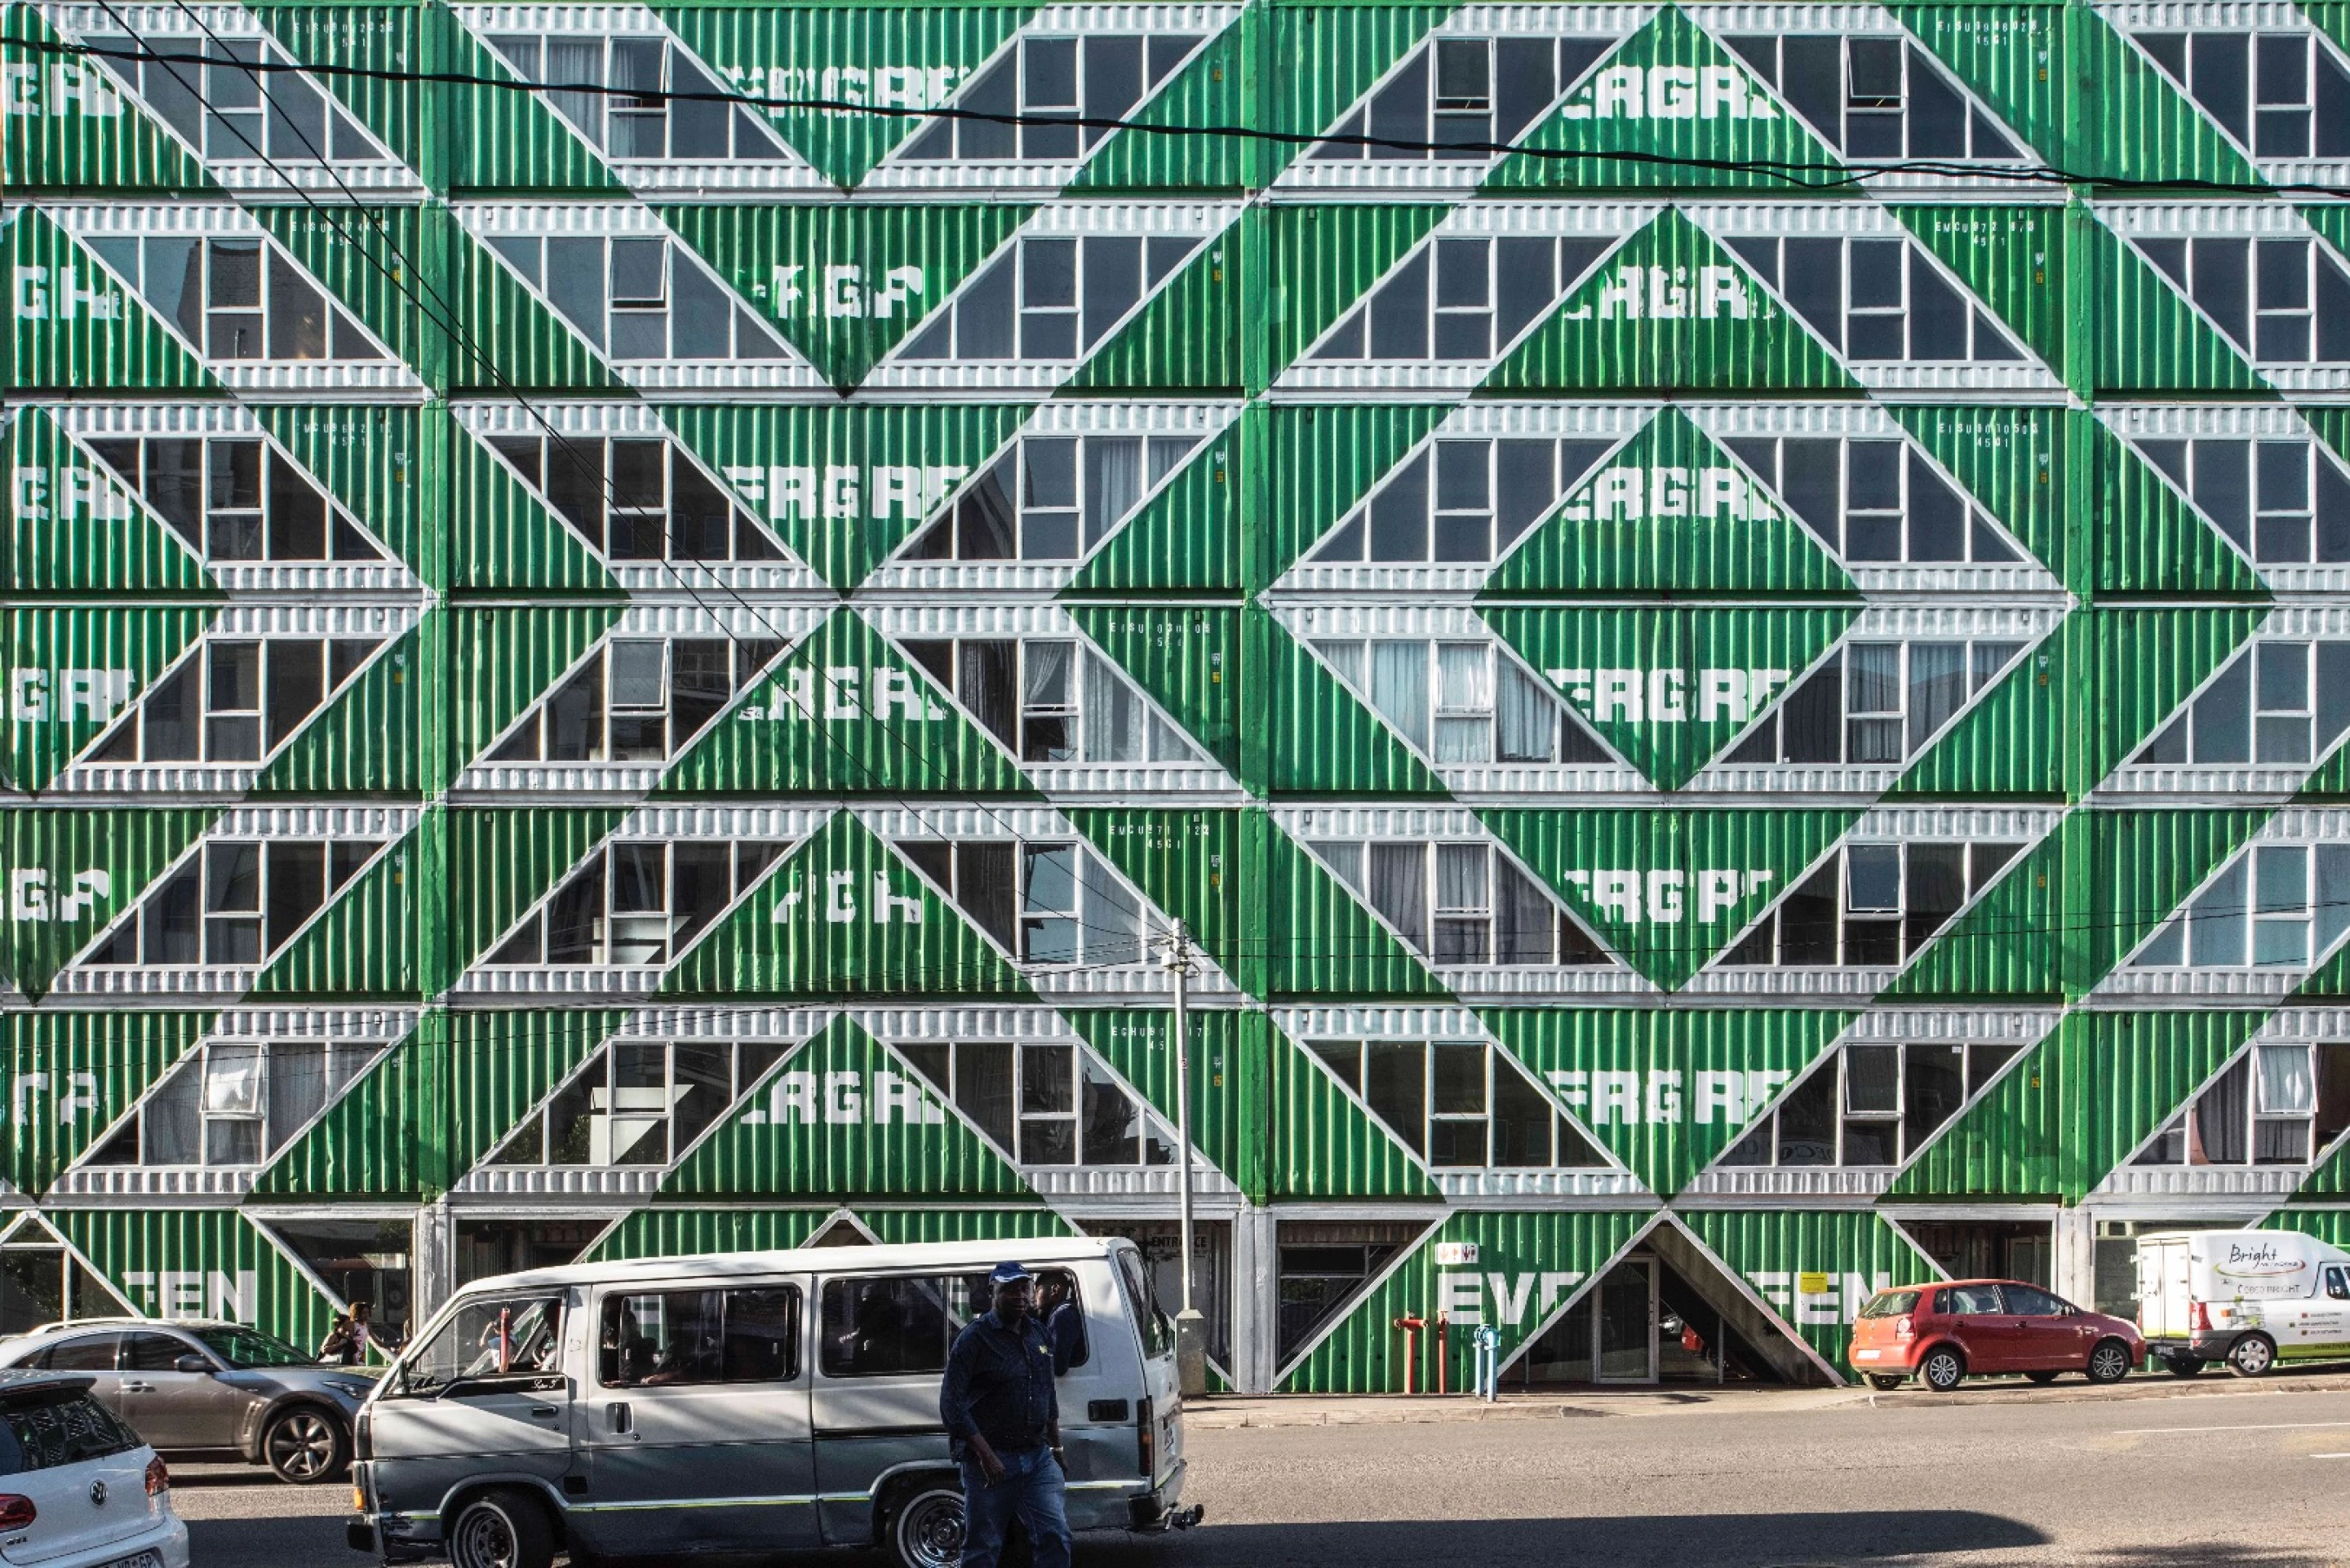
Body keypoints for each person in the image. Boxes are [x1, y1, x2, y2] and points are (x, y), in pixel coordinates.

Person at [938, 1261, 1071, 1568]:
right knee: (983, 1547)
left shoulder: (1037, 1331)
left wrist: (1056, 1446)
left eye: (1024, 1288)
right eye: (1009, 1289)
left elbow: (1046, 1391)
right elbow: (952, 1405)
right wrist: (986, 1456)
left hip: (1037, 1459)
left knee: (1055, 1535)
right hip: (990, 1464)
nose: (1019, 1296)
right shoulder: (974, 1339)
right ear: (991, 1292)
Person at [1038, 1273, 1086, 1376]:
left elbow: (1057, 1367)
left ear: (1055, 1290)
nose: (1033, 1296)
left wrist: (1037, 1347)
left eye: (1037, 1291)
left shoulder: (1062, 1316)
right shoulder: (1068, 1310)